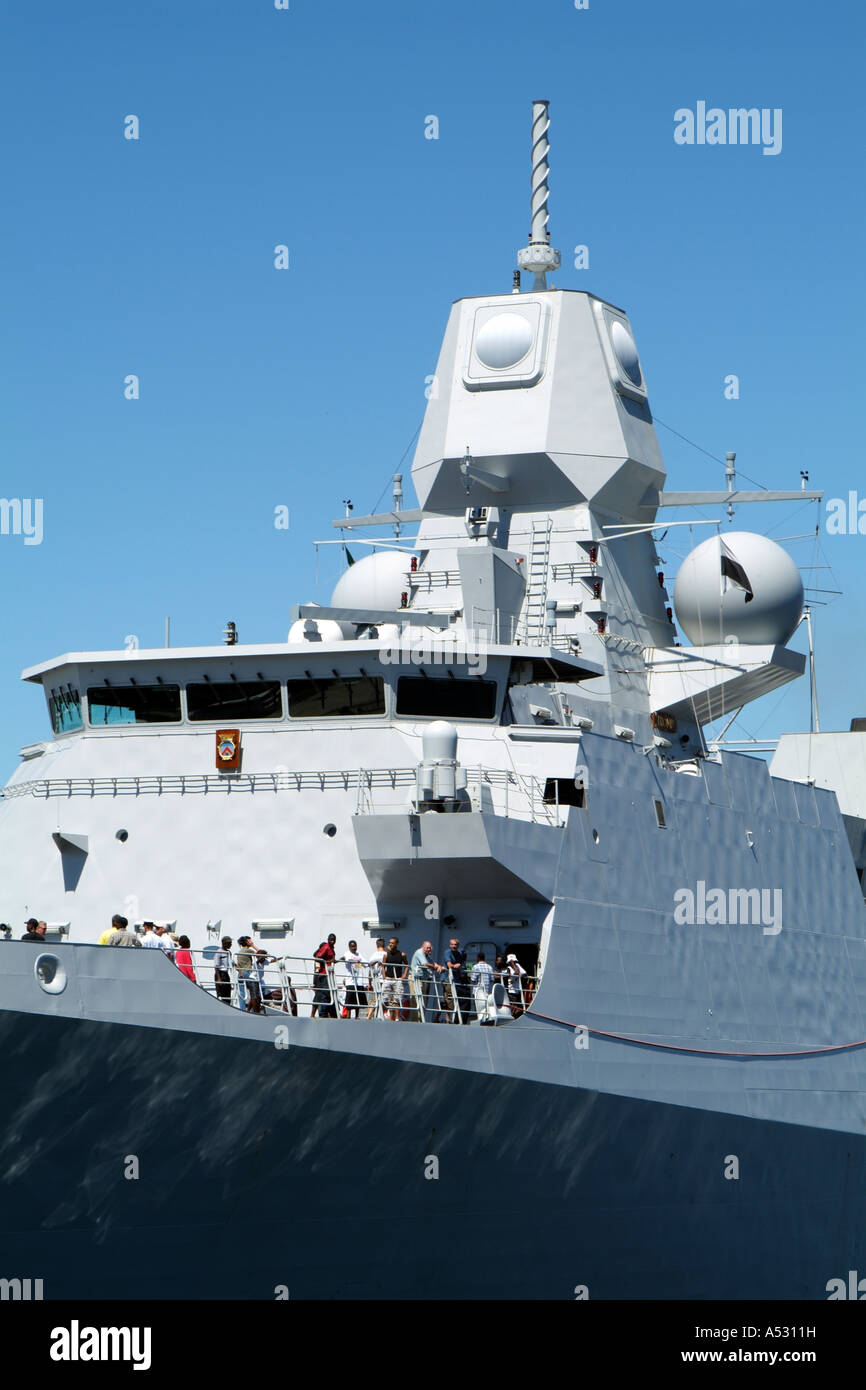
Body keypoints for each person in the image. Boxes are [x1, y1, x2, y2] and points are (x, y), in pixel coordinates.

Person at [410, 941, 445, 1022]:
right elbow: (425, 964)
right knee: (416, 1000)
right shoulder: (420, 952)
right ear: (423, 947)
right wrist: (435, 968)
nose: (429, 950)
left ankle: (421, 1019)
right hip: (416, 979)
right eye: (427, 948)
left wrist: (440, 967)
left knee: (423, 1001)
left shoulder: (427, 955)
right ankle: (415, 1021)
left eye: (430, 948)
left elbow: (432, 963)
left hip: (424, 980)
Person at [444, 937, 470, 1024]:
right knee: (448, 1000)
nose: (453, 946)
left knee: (458, 1000)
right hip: (447, 979)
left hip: (456, 981)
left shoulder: (459, 954)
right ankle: (447, 1019)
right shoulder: (448, 952)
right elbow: (449, 965)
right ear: (449, 945)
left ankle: (457, 1019)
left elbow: (461, 966)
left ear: (458, 945)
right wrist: (455, 966)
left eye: (455, 944)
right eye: (452, 944)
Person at [382, 937, 409, 1021]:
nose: (390, 944)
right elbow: (383, 965)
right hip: (388, 978)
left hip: (397, 979)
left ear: (397, 944)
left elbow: (407, 965)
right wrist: (384, 975)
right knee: (384, 998)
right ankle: (386, 1013)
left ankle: (397, 1017)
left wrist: (404, 975)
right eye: (390, 942)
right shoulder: (386, 954)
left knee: (397, 999)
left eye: (393, 943)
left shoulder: (402, 954)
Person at [311, 934, 337, 1018]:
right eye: (331, 939)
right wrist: (329, 961)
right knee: (324, 995)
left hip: (329, 974)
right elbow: (318, 958)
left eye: (334, 940)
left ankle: (328, 1014)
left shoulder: (331, 949)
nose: (332, 941)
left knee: (328, 994)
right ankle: (323, 1014)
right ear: (328, 939)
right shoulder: (326, 947)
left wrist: (333, 961)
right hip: (324, 974)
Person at [340, 940, 367, 1020]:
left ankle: (357, 1016)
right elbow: (343, 958)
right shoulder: (347, 954)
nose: (354, 948)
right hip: (350, 981)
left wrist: (375, 963)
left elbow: (366, 963)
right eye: (352, 946)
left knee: (358, 999)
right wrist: (337, 960)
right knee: (349, 1000)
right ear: (349, 947)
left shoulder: (359, 955)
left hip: (359, 981)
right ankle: (348, 1016)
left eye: (355, 946)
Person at [235, 936, 262, 1013]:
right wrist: (253, 945)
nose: (251, 941)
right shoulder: (248, 950)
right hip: (247, 973)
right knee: (253, 993)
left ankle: (243, 1009)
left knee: (242, 993)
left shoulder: (240, 951)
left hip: (240, 974)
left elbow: (236, 964)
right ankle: (253, 1010)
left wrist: (240, 972)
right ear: (247, 942)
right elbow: (261, 954)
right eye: (250, 941)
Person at [366, 937, 386, 1019]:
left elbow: (370, 971)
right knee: (385, 999)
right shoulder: (386, 955)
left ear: (376, 945)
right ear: (384, 945)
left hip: (376, 981)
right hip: (385, 980)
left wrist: (369, 982)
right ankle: (376, 1016)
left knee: (374, 999)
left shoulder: (373, 956)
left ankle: (370, 1015)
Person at [471, 952, 494, 1024]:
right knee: (486, 1007)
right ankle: (486, 1019)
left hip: (478, 991)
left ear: (478, 958)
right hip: (487, 991)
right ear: (484, 958)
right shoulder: (489, 967)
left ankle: (479, 1020)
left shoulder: (476, 967)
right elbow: (492, 979)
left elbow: (473, 980)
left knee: (478, 1008)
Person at [213, 936, 233, 1002]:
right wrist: (219, 979)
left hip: (226, 974)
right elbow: (216, 966)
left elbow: (231, 962)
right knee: (222, 994)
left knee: (228, 993)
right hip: (220, 974)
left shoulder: (229, 952)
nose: (231, 944)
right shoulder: (218, 952)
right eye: (229, 943)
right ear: (224, 943)